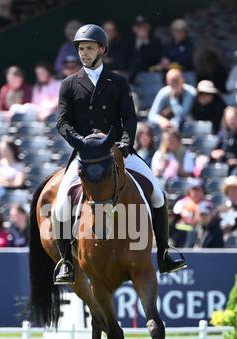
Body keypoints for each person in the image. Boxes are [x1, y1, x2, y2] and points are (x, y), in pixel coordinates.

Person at [54, 23, 187, 284]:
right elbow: (62, 122)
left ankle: (164, 252)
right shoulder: (69, 84)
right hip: (85, 155)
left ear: (102, 49)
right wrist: (80, 142)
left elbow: (129, 117)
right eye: (81, 49)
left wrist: (126, 142)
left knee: (157, 193)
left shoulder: (118, 82)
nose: (84, 53)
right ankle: (65, 262)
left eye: (89, 48)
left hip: (118, 151)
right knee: (60, 205)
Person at [210, 106, 237, 175]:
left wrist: (235, 161)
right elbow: (214, 150)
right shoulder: (222, 134)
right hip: (225, 164)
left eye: (233, 118)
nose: (232, 121)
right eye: (229, 119)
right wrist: (214, 153)